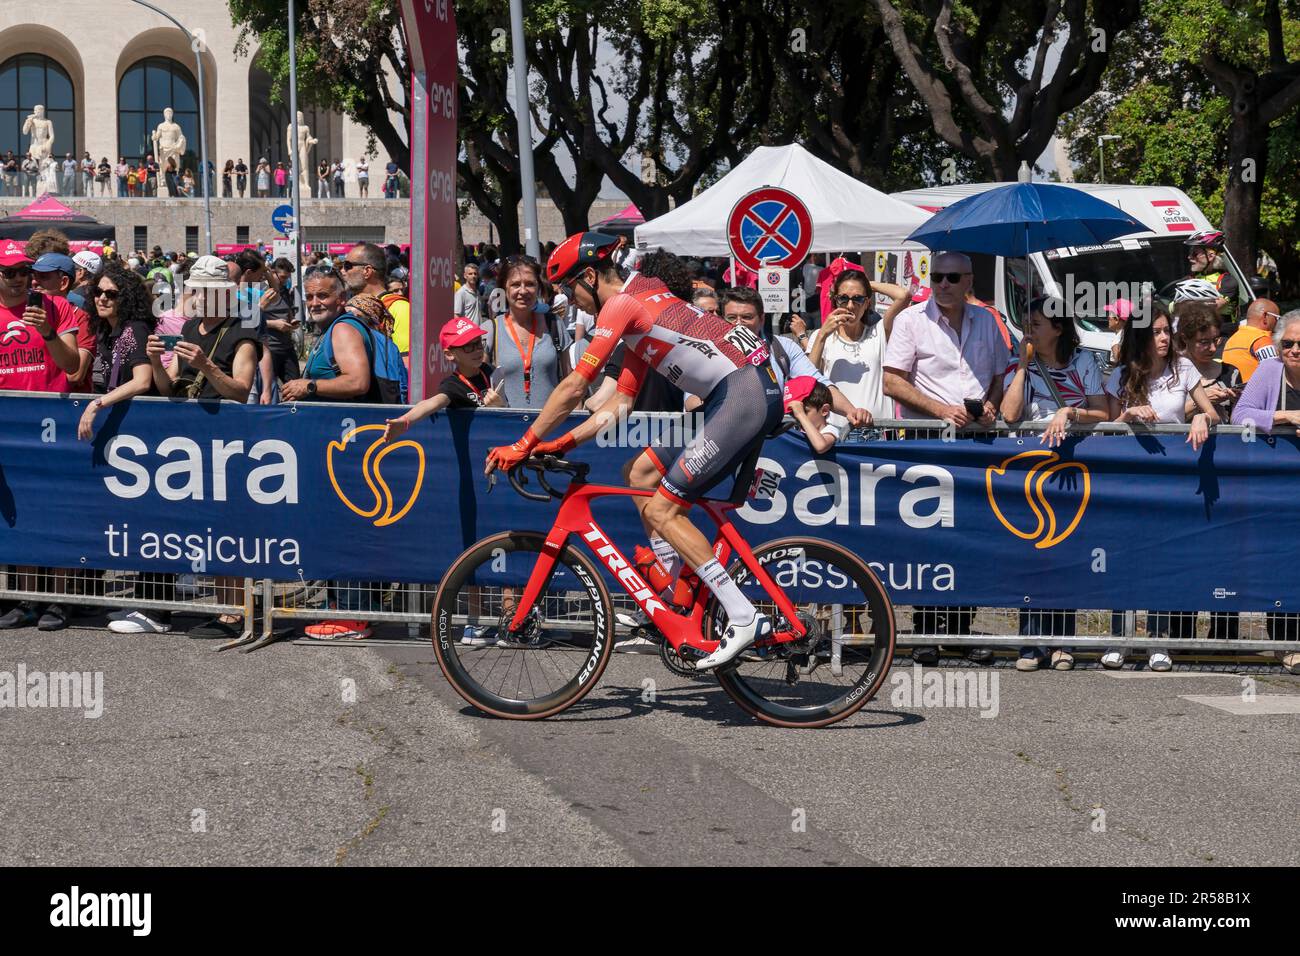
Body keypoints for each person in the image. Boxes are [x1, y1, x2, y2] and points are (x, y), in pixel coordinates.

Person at [486, 231, 784, 670]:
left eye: (571, 286)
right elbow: (620, 405)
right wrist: (561, 442)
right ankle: (670, 593)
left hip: (743, 395)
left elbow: (574, 387)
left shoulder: (623, 304)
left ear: (590, 276)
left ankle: (743, 617)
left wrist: (524, 443)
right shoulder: (643, 306)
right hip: (733, 394)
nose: (572, 299)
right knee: (640, 473)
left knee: (664, 510)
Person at [115, 256, 263, 639]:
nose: (200, 297)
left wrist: (209, 367)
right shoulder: (191, 330)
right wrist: (153, 359)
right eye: (196, 289)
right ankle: (226, 609)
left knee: (228, 525)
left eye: (209, 291)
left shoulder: (241, 332)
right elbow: (171, 390)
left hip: (230, 437)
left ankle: (236, 613)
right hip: (194, 439)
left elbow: (241, 390)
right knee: (208, 525)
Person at [883, 253, 1009, 665]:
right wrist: (941, 410)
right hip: (927, 438)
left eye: (952, 277)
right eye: (936, 276)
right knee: (927, 536)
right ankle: (926, 629)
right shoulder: (910, 320)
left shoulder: (988, 321)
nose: (943, 284)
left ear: (968, 280)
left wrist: (990, 405)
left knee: (970, 535)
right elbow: (891, 382)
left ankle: (959, 628)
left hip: (975, 440)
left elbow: (996, 378)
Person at [1100, 304, 1219, 671]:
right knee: (1125, 557)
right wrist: (1128, 415)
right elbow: (1102, 430)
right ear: (1140, 335)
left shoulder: (1182, 369)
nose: (1165, 338)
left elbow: (1212, 414)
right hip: (1127, 480)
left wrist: (1199, 415)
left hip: (1170, 482)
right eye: (1156, 331)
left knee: (1162, 558)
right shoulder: (1119, 375)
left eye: (1167, 330)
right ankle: (1121, 639)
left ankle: (1158, 641)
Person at [999, 296, 1111, 671]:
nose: (1028, 329)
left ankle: (1063, 642)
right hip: (1033, 467)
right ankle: (1030, 642)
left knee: (1066, 551)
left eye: (1035, 323)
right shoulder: (1025, 366)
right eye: (1026, 322)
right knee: (1031, 551)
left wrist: (1070, 411)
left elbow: (1104, 413)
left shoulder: (1084, 362)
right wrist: (1022, 365)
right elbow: (1010, 413)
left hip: (1075, 467)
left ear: (1058, 328)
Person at [283, 267, 381, 639]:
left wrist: (308, 386)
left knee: (345, 530)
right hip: (339, 449)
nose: (315, 303)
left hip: (349, 450)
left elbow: (358, 381)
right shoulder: (333, 330)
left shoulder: (342, 329)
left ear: (340, 298)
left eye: (322, 296)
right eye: (310, 297)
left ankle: (353, 614)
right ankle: (345, 606)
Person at [0, 243, 89, 631]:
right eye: (10, 272)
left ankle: (61, 598)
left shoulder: (59, 308)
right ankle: (25, 597)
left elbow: (72, 368)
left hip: (54, 421)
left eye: (24, 271)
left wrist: (47, 332)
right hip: (10, 424)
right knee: (19, 512)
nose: (20, 278)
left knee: (59, 510)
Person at [721, 285, 872, 426]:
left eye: (747, 317)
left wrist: (851, 411)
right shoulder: (710, 349)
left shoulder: (783, 348)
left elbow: (816, 382)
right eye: (732, 318)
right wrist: (698, 443)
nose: (738, 324)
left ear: (761, 319)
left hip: (770, 442)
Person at [809, 271, 911, 425]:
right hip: (837, 431)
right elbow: (808, 379)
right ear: (835, 301)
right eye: (843, 298)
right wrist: (823, 334)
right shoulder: (821, 336)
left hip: (878, 431)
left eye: (857, 299)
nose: (850, 306)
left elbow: (903, 295)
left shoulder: (879, 332)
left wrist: (867, 285)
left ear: (867, 303)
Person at [481, 256, 570, 408]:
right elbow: (480, 385)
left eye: (530, 284)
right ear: (504, 288)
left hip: (551, 426)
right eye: (515, 284)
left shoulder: (554, 324)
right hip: (507, 425)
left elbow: (570, 382)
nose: (523, 291)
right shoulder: (490, 330)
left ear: (538, 288)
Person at [341, 242, 410, 370]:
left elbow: (405, 365)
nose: (342, 271)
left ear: (367, 271)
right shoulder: (352, 307)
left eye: (347, 266)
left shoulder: (399, 308)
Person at [785, 376, 841, 453]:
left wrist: (801, 414)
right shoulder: (797, 430)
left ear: (824, 410)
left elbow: (821, 446)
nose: (796, 417)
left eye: (805, 411)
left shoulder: (830, 430)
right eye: (792, 413)